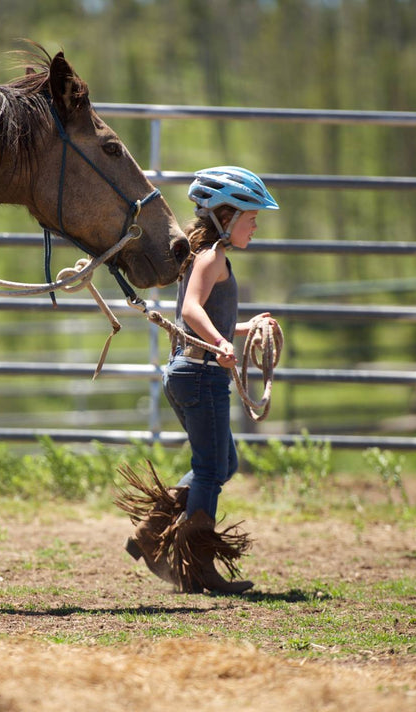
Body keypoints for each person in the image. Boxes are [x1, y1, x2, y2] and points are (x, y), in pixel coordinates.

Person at [123, 166, 279, 595]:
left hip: (192, 372)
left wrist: (243, 329)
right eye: (251, 217)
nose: (256, 225)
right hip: (202, 375)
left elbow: (206, 317)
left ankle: (152, 531)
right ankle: (197, 564)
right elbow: (192, 311)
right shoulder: (212, 258)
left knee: (222, 464)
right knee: (211, 469)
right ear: (226, 218)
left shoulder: (210, 257)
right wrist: (220, 343)